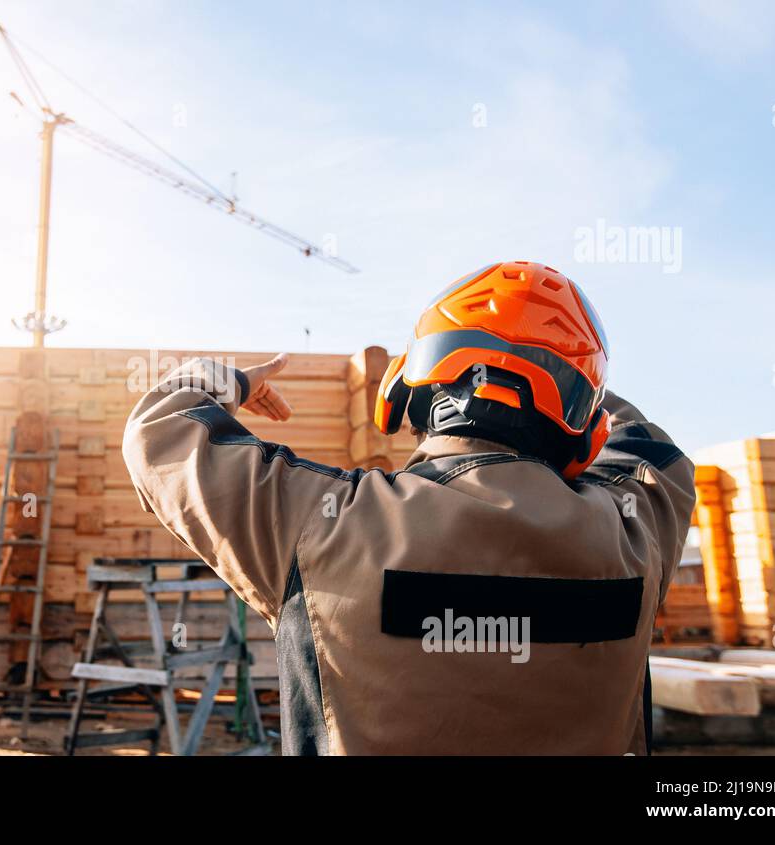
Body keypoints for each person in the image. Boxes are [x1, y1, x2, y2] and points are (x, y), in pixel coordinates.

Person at [121, 261, 695, 755]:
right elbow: (653, 450)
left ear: (407, 386)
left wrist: (226, 380)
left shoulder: (319, 524)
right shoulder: (633, 533)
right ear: (582, 426)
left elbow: (161, 428)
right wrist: (559, 365)